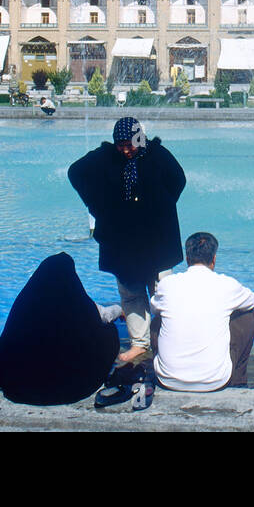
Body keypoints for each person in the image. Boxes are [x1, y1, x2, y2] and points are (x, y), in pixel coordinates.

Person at [67, 117, 185, 368]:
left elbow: (178, 180)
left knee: (163, 291)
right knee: (131, 293)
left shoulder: (157, 154)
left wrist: (161, 206)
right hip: (121, 241)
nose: (126, 149)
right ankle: (139, 343)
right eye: (121, 144)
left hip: (156, 238)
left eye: (130, 143)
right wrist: (96, 204)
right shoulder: (105, 156)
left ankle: (169, 339)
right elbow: (75, 172)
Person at [0, 253, 120, 405]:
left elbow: (3, 350)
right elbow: (104, 315)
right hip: (75, 387)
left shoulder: (26, 304)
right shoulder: (77, 302)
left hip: (20, 389)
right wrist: (120, 309)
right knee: (110, 331)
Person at [149, 232, 254, 392]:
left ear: (187, 259)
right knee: (249, 317)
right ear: (214, 259)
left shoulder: (167, 284)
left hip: (167, 378)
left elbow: (154, 309)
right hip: (215, 380)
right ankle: (238, 379)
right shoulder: (227, 284)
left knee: (158, 319)